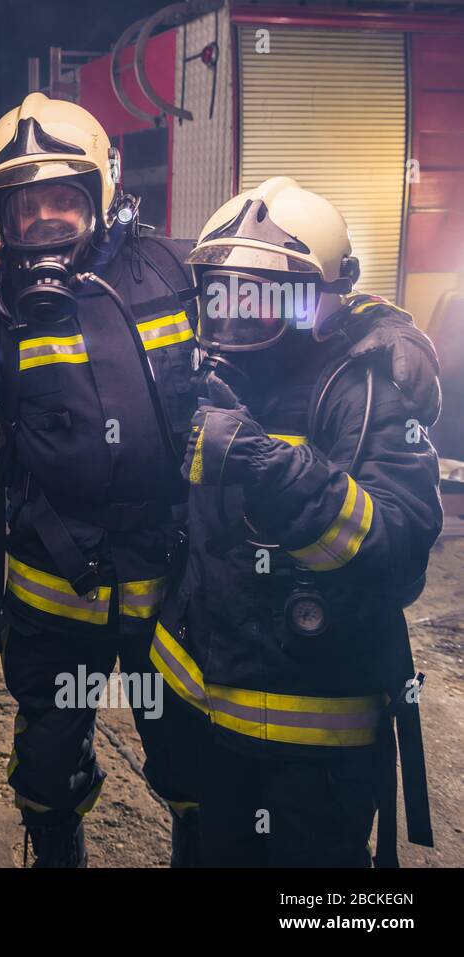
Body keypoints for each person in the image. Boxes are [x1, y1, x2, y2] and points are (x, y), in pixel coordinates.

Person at [0, 92, 442, 867]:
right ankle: (55, 846)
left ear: (103, 191)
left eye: (63, 199)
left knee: (187, 761)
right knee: (49, 762)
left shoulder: (173, 265)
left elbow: (281, 291)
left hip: (173, 590)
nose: (43, 225)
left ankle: (200, 846)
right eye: (22, 210)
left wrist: (377, 321)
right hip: (54, 589)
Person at [153, 177, 442, 866]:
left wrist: (270, 467)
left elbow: (395, 553)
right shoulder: (211, 373)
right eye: (221, 298)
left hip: (317, 742)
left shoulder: (365, 386)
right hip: (207, 713)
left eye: (260, 301)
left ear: (319, 304)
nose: (234, 322)